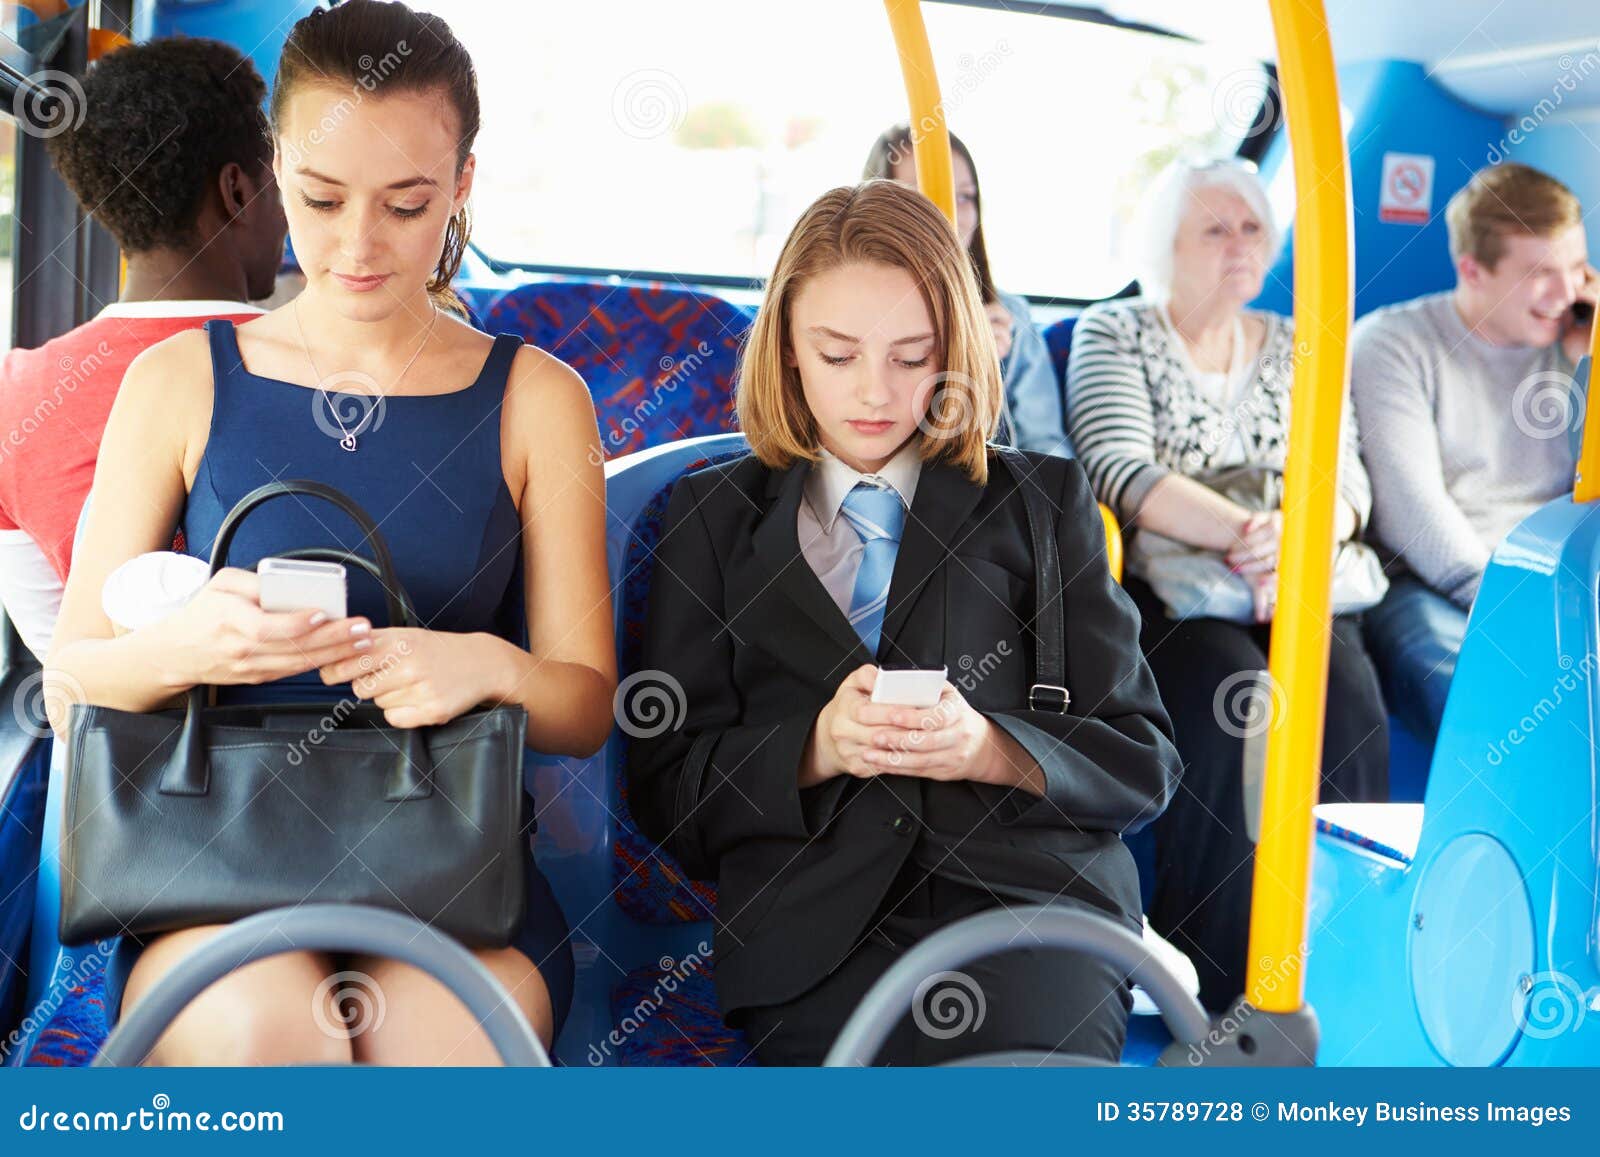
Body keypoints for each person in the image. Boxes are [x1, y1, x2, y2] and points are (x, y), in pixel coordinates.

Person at [45, 0, 615, 1065]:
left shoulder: (540, 397)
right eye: (319, 198)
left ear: (463, 185)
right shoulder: (178, 381)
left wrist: (484, 666)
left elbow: (583, 703)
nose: (358, 245)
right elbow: (72, 681)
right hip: (212, 854)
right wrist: (186, 649)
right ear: (273, 169)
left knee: (435, 1037)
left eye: (406, 204)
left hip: (453, 859)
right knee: (263, 1028)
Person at [627, 179, 1181, 1065]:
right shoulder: (710, 520)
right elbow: (668, 796)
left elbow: (1143, 762)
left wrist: (989, 749)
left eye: (912, 356)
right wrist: (816, 748)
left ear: (955, 351)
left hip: (1030, 906)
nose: (874, 392)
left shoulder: (1043, 503)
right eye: (837, 354)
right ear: (787, 349)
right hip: (812, 930)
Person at [1066, 157, 1388, 1010]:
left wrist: (1294, 539)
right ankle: (1211, 986)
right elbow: (1117, 469)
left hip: (1297, 568)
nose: (1240, 245)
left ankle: (1342, 969)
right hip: (1177, 586)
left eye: (1251, 227)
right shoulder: (1116, 332)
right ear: (1167, 245)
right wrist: (1253, 536)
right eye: (1215, 229)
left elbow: (1346, 479)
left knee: (1347, 702)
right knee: (1232, 704)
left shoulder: (1296, 339)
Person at [0, 36, 287, 662]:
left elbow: (61, 656)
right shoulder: (334, 364)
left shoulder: (15, 395)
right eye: (277, 184)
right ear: (237, 191)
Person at [1352, 162, 1595, 744]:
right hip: (1438, 582)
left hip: (1563, 573)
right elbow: (1415, 517)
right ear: (1472, 270)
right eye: (1540, 273)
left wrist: (1593, 362)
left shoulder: (1578, 340)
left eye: (1576, 268)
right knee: (1477, 695)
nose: (1566, 293)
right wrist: (1526, 608)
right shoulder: (1393, 344)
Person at [863, 125, 1069, 457]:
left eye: (964, 197)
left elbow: (1046, 456)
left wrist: (984, 371)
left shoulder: (1009, 317)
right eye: (922, 196)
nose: (950, 216)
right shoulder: (852, 317)